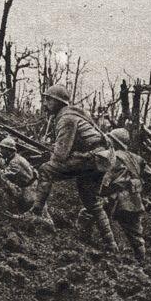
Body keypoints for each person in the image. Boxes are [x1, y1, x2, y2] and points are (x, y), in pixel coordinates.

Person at [26, 84, 118, 251]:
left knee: (46, 170)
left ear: (57, 102)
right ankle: (111, 244)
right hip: (100, 160)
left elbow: (60, 155)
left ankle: (35, 212)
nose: (45, 104)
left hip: (91, 159)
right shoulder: (76, 115)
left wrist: (46, 158)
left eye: (48, 100)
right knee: (91, 202)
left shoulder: (66, 118)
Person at [80, 128, 151, 264]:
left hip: (114, 199)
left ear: (113, 141)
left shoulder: (110, 156)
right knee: (136, 236)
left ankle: (83, 244)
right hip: (135, 200)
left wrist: (99, 192)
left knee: (88, 213)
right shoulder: (138, 158)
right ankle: (141, 264)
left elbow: (104, 180)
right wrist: (141, 192)